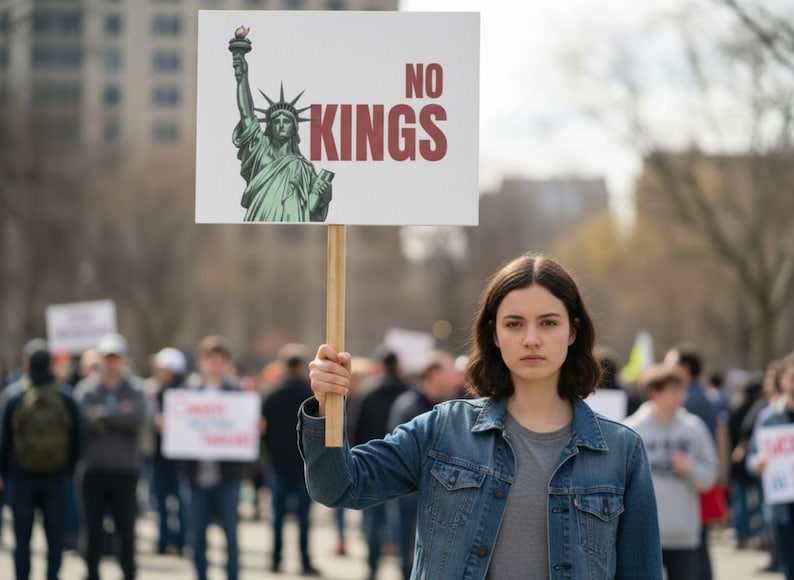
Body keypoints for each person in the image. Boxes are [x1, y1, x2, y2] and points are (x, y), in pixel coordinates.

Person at [301, 253, 663, 579]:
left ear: (573, 331)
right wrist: (325, 403)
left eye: (549, 323)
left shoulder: (622, 451)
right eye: (514, 324)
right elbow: (339, 486)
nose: (531, 339)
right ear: (494, 334)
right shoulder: (443, 429)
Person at [624, 363, 718, 580]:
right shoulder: (630, 429)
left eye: (681, 390)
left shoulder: (695, 428)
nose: (681, 397)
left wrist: (691, 468)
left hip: (684, 535)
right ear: (654, 394)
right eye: (674, 392)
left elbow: (710, 477)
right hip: (643, 536)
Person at [0, 345, 83, 580]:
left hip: (21, 477)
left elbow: (4, 438)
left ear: (26, 364)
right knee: (54, 538)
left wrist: (4, 472)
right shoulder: (66, 396)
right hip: (56, 476)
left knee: (22, 538)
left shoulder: (14, 395)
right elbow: (78, 438)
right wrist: (69, 470)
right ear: (51, 365)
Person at [230, 33, 332, 222]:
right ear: (270, 127)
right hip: (259, 220)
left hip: (293, 227)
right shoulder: (260, 150)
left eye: (286, 121)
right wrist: (241, 77)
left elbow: (314, 209)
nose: (281, 124)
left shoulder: (305, 168)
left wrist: (325, 196)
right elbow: (246, 114)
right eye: (276, 121)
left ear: (295, 128)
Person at [77, 333, 148, 580]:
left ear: (124, 360)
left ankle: (128, 573)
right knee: (92, 531)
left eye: (116, 358)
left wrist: (104, 416)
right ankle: (92, 573)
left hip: (125, 471)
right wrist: (118, 416)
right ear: (100, 360)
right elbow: (83, 419)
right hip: (93, 471)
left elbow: (138, 417)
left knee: (126, 531)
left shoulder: (136, 389)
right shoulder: (87, 389)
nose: (111, 364)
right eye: (107, 359)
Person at [387, 349, 462, 580]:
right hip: (412, 494)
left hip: (439, 496)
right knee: (409, 553)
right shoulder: (409, 407)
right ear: (434, 375)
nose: (455, 379)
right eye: (449, 372)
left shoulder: (451, 406)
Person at [181, 335, 248, 580]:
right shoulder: (188, 393)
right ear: (202, 362)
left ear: (227, 363)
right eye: (211, 359)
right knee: (196, 535)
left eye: (220, 360)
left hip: (227, 477)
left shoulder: (238, 393)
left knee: (230, 534)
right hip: (195, 476)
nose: (215, 365)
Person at [664, 343, 729, 580]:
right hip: (702, 474)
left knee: (695, 547)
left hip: (691, 478)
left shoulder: (687, 401)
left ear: (684, 368)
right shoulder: (706, 395)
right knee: (700, 544)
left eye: (669, 363)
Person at [350, 347, 413, 580]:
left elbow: (355, 429)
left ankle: (372, 566)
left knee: (373, 521)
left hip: (372, 463)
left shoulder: (367, 391)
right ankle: (404, 570)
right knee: (402, 523)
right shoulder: (409, 391)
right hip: (403, 465)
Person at [261, 343, 320, 575]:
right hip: (306, 464)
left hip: (277, 463)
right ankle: (304, 560)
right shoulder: (312, 396)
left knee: (277, 516)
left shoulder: (271, 395)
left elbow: (263, 431)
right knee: (304, 517)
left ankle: (276, 559)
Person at [746, 353, 794, 580]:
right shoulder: (768, 417)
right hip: (782, 507)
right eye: (792, 378)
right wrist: (757, 463)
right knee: (789, 566)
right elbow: (751, 457)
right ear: (782, 381)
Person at [150, 347, 188, 556]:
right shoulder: (155, 391)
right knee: (163, 502)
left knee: (176, 502)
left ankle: (174, 541)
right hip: (160, 456)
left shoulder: (181, 392)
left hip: (176, 458)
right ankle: (169, 541)